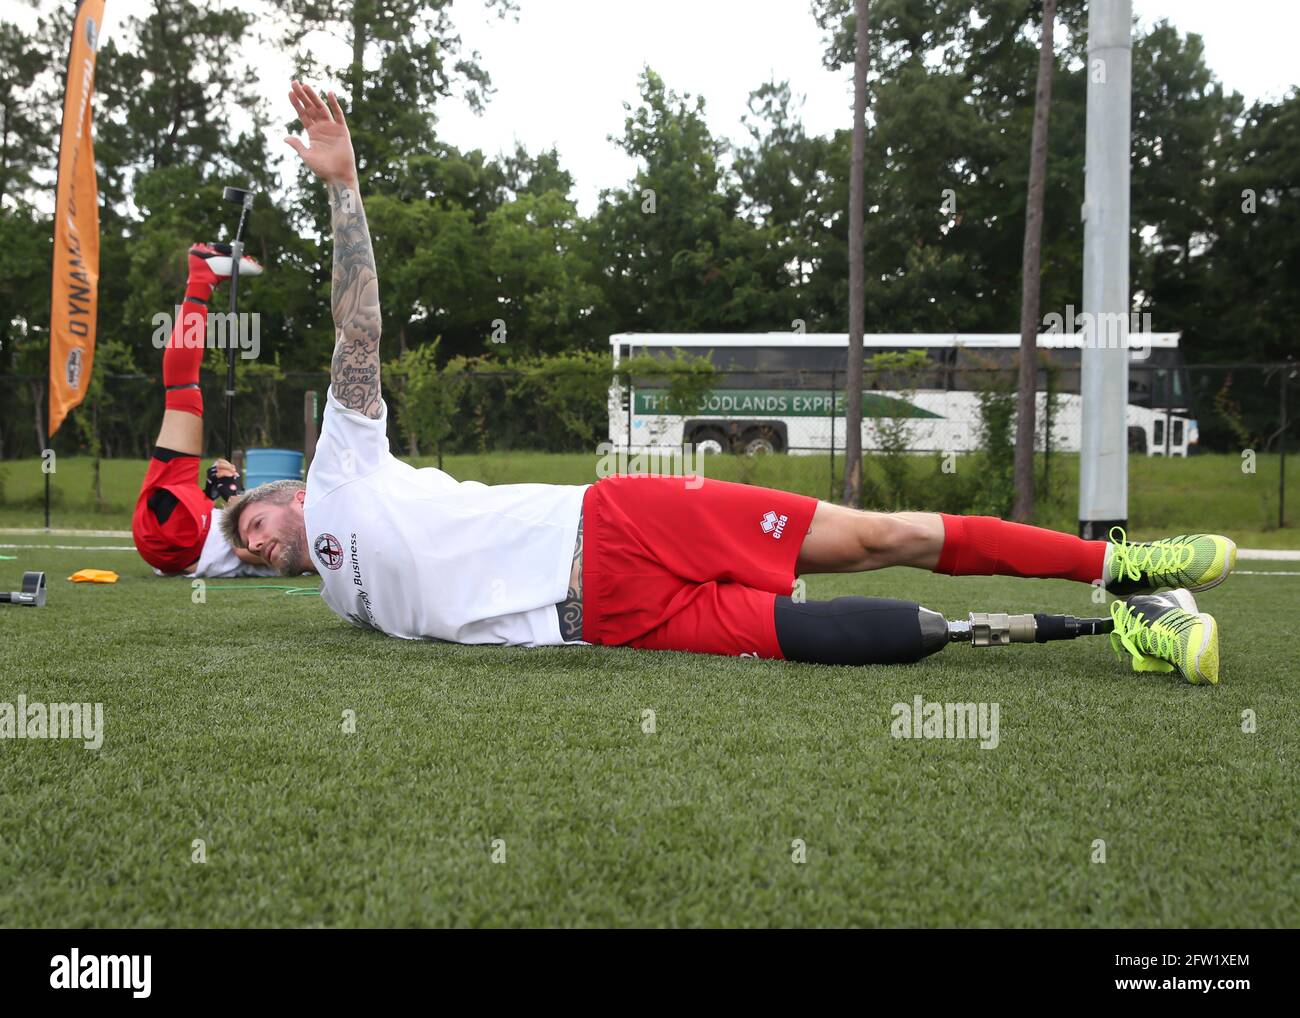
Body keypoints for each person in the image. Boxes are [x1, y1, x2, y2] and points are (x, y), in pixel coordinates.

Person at [223, 81, 1235, 685]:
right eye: (246, 547)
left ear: (288, 491)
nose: (254, 540)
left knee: (875, 538)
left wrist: (345, 188)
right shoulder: (342, 607)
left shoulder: (346, 466)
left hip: (618, 524)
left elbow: (358, 323)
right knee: (818, 641)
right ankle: (1132, 622)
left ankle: (1120, 564)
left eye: (253, 522)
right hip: (618, 624)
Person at [131, 242, 277, 579]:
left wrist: (233, 497)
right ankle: (202, 280)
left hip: (179, 535)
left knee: (182, 390)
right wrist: (212, 495)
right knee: (183, 390)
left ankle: (202, 278)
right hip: (172, 533)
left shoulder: (319, 547)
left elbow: (247, 546)